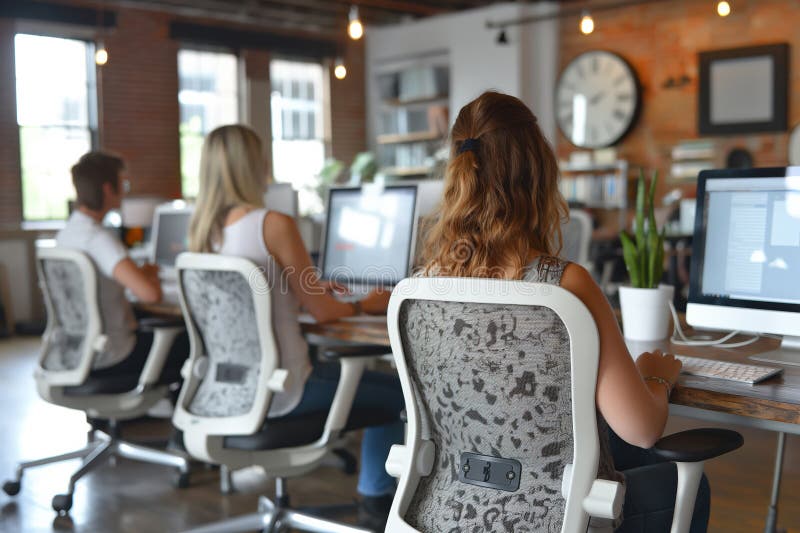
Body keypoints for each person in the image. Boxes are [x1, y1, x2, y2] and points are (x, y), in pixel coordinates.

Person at [419, 91, 709, 532]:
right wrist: (655, 376)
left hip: (448, 513)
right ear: (539, 175)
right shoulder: (564, 284)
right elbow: (643, 428)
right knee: (690, 486)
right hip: (553, 518)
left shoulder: (426, 285)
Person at [187, 125, 404, 529]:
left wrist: (303, 287)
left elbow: (255, 295)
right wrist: (365, 302)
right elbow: (324, 314)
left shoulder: (203, 233)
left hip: (230, 390)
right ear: (252, 165)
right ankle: (376, 501)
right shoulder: (272, 223)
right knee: (402, 395)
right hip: (285, 389)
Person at [56, 152, 187, 380]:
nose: (125, 190)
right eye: (123, 183)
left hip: (78, 352)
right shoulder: (98, 239)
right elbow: (151, 294)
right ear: (108, 189)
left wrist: (139, 273)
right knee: (190, 341)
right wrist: (150, 277)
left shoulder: (67, 235)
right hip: (114, 356)